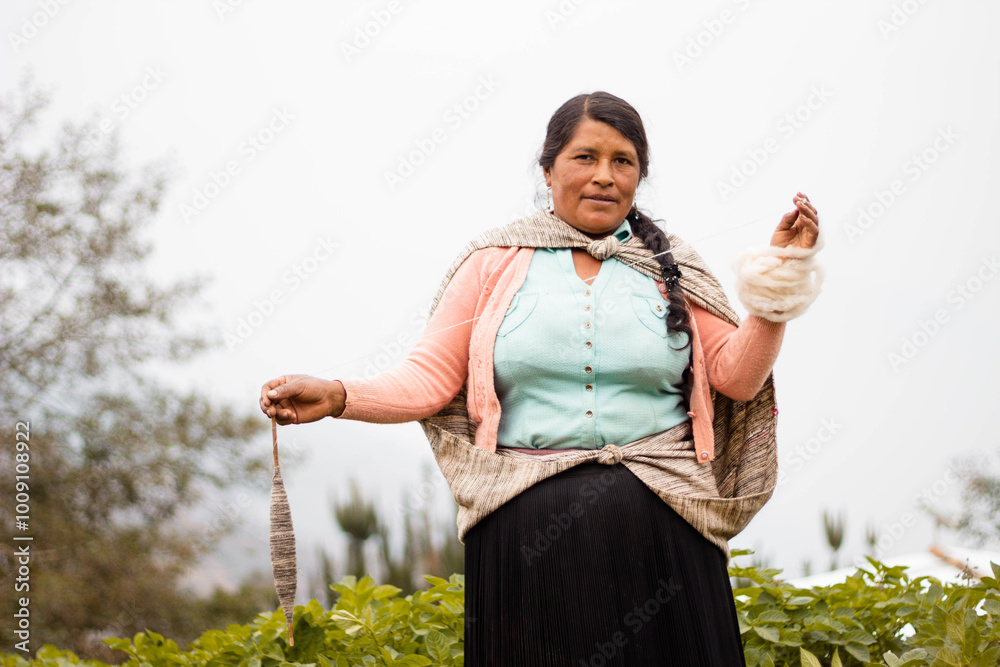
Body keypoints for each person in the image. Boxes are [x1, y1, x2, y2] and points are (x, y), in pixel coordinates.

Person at [260, 91, 822, 665]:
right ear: (549, 168)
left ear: (639, 176)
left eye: (622, 161)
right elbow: (429, 379)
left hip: (665, 533)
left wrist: (779, 281)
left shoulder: (671, 265)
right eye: (585, 158)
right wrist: (337, 395)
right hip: (525, 537)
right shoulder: (493, 260)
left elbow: (737, 379)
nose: (604, 176)